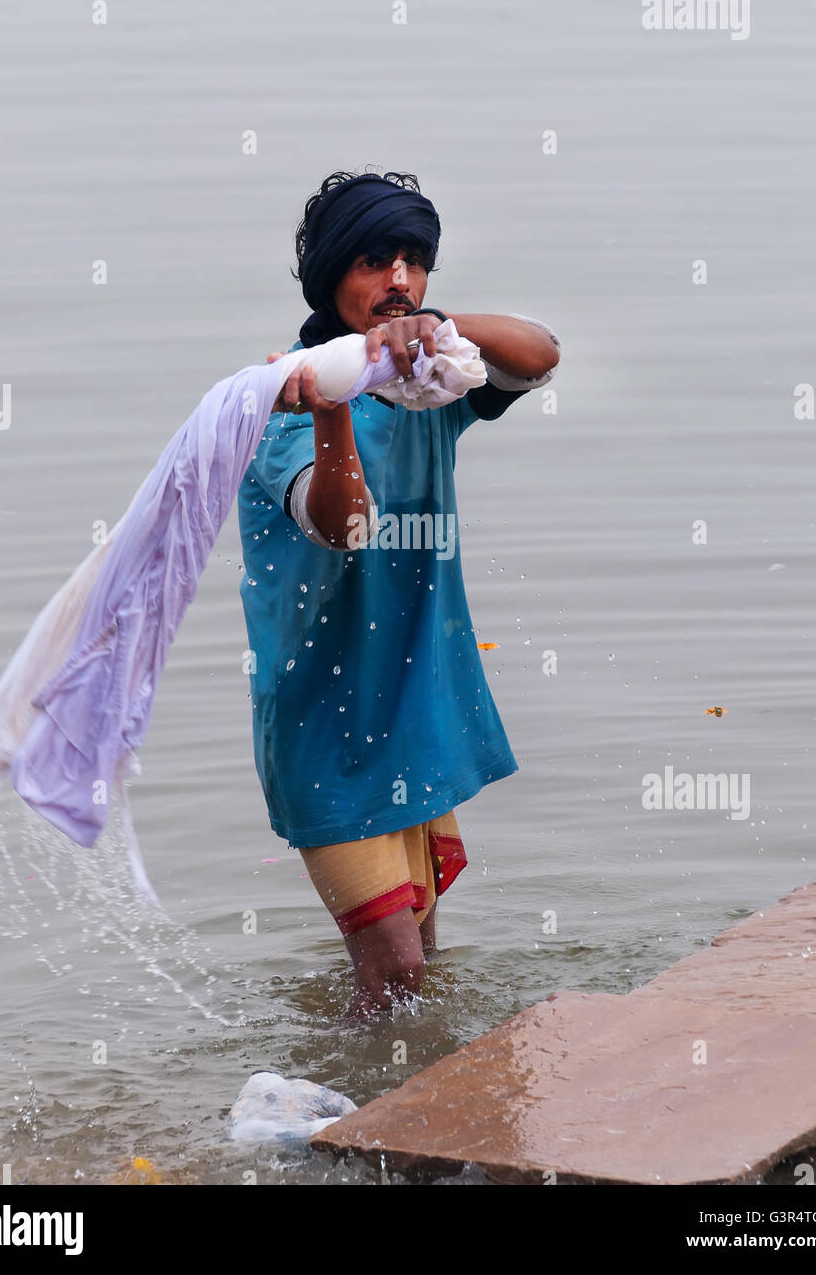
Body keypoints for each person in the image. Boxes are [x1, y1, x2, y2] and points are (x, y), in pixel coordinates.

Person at [237, 169, 559, 1018]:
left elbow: (539, 354)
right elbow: (342, 528)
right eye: (375, 262)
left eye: (414, 262)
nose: (398, 283)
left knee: (423, 963)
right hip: (324, 732)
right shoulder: (275, 409)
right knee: (396, 977)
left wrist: (438, 330)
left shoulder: (429, 387)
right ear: (330, 279)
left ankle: (393, 1112)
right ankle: (340, 1142)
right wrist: (332, 407)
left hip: (414, 713)